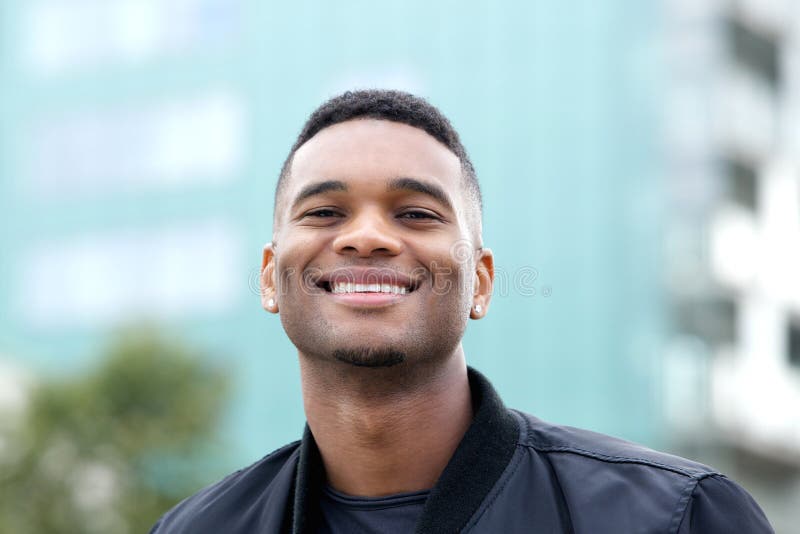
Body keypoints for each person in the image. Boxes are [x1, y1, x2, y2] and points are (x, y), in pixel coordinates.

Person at [149, 90, 773, 533]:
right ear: (270, 279)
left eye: (416, 214)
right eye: (324, 213)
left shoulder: (677, 517)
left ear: (480, 282)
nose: (367, 237)